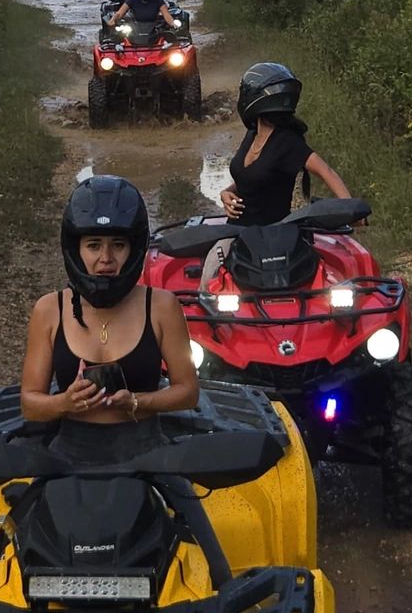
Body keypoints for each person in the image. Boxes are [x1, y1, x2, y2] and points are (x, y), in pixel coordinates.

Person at [21, 175, 198, 447]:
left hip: (145, 444)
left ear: (134, 248)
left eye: (118, 245)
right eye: (93, 245)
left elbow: (188, 392)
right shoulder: (49, 310)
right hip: (70, 447)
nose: (106, 258)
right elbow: (30, 404)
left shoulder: (162, 306)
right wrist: (64, 402)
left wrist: (137, 402)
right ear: (76, 250)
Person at [221, 62, 352, 227]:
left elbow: (326, 171)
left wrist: (352, 211)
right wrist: (227, 192)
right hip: (236, 233)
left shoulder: (288, 142)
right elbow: (251, 180)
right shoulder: (252, 134)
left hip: (272, 238)